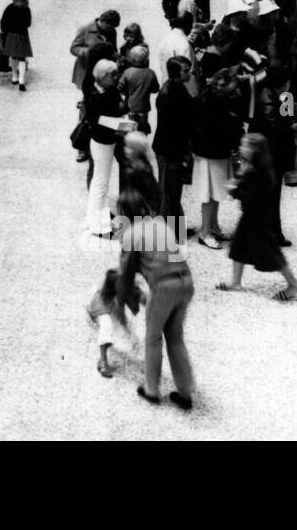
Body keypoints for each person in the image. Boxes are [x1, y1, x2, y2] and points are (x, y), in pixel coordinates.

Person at [116, 184, 195, 410]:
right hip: (186, 282)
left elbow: (124, 273)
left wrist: (124, 301)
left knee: (153, 338)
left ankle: (151, 390)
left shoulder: (130, 234)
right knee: (176, 337)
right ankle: (185, 391)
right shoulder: (159, 223)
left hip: (163, 288)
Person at [216, 133, 297, 299]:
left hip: (257, 218)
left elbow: (251, 195)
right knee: (239, 246)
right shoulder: (252, 167)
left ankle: (294, 284)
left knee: (271, 253)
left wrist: (234, 190)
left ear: (255, 151)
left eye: (245, 146)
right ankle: (236, 281)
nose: (241, 148)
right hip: (252, 215)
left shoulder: (258, 172)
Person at [191, 68, 244, 248]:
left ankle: (213, 226)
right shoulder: (212, 103)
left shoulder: (210, 97)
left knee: (214, 193)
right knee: (209, 194)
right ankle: (205, 232)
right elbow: (220, 126)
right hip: (210, 152)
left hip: (214, 151)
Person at [84, 59, 126, 235]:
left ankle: (93, 218)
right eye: (113, 75)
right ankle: (96, 224)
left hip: (106, 140)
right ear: (103, 76)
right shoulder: (98, 95)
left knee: (100, 181)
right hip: (102, 142)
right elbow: (96, 121)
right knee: (101, 182)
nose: (117, 77)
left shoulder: (106, 90)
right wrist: (120, 125)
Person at [153, 56, 197, 224]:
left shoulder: (171, 89)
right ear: (177, 72)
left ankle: (175, 224)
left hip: (168, 147)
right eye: (186, 70)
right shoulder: (175, 92)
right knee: (169, 191)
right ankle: (167, 227)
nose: (189, 73)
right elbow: (184, 120)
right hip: (170, 150)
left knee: (171, 190)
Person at [88, 268, 141, 378]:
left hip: (103, 304)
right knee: (107, 335)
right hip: (101, 309)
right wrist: (127, 330)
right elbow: (120, 314)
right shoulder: (105, 314)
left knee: (113, 332)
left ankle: (103, 360)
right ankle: (103, 362)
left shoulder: (108, 284)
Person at [0, 0, 33, 90]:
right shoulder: (26, 9)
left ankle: (14, 77)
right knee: (22, 57)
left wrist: (5, 31)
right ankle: (22, 80)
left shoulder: (9, 8)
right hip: (22, 35)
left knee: (13, 56)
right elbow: (28, 24)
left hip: (11, 35)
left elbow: (3, 22)